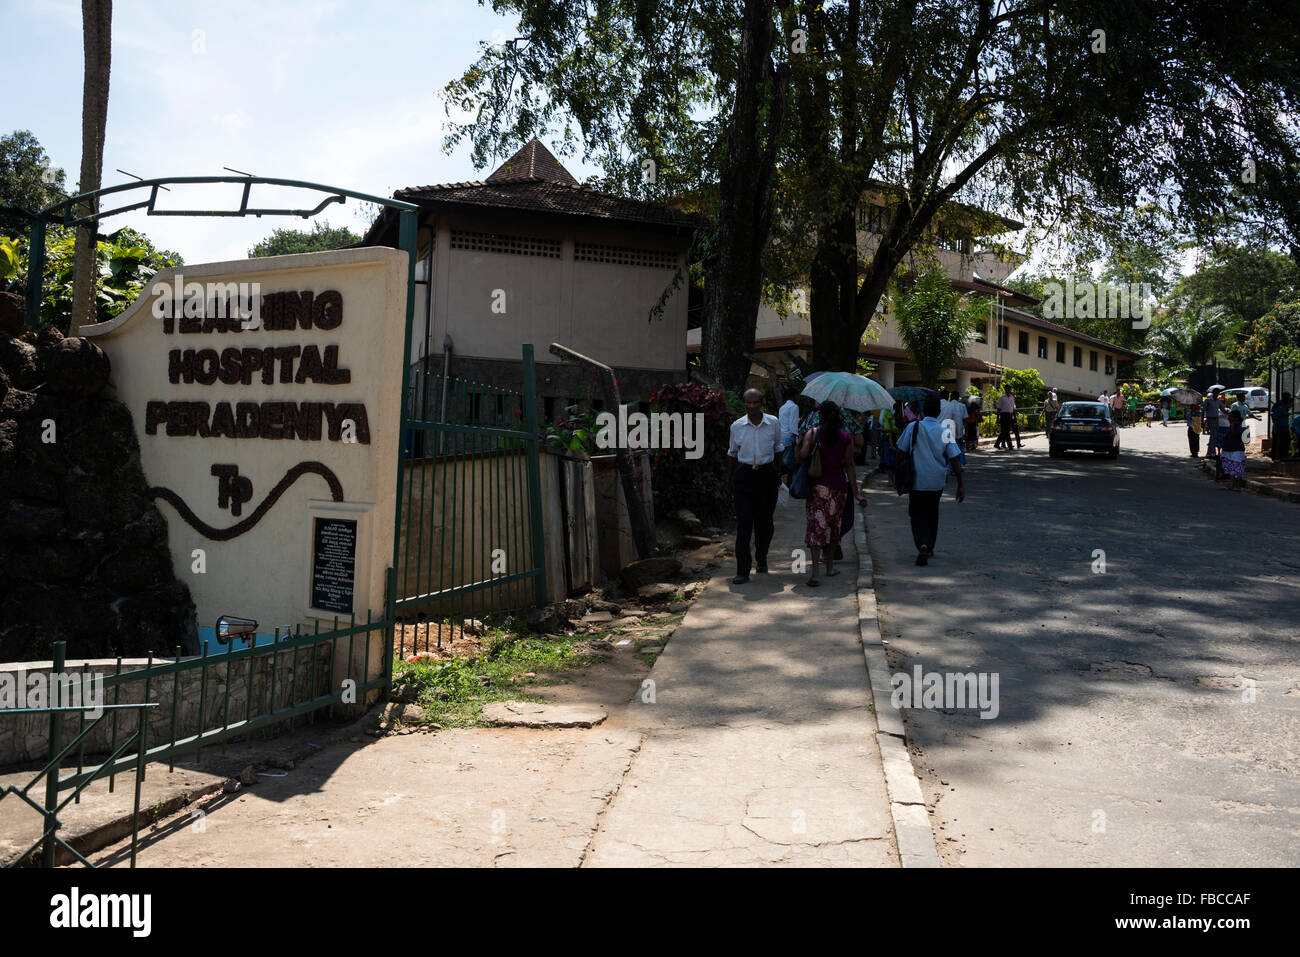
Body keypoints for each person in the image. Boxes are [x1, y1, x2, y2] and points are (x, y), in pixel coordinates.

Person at [796, 401, 867, 586]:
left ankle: (815, 573)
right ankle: (830, 567)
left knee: (816, 528)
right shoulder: (846, 437)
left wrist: (799, 444)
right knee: (834, 528)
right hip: (839, 488)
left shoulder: (813, 433)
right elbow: (850, 466)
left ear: (820, 416)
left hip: (817, 488)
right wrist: (856, 494)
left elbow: (803, 455)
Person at [895, 396, 966, 566]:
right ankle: (929, 545)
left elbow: (901, 451)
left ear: (923, 410)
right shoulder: (945, 432)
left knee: (916, 513)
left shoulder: (913, 427)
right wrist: (960, 484)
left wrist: (898, 473)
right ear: (939, 412)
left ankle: (922, 543)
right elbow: (955, 459)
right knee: (932, 513)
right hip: (936, 481)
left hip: (917, 480)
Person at [727, 388, 784, 584]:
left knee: (765, 523)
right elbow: (732, 454)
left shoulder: (773, 423)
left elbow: (778, 449)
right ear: (744, 404)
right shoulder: (737, 426)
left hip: (766, 475)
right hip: (744, 476)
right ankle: (742, 570)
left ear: (761, 403)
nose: (752, 406)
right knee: (744, 524)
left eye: (755, 402)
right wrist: (729, 481)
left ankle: (762, 557)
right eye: (748, 403)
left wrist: (777, 474)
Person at [1220, 409, 1248, 491]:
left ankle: (1238, 485)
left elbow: (1236, 435)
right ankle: (1231, 484)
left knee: (1237, 467)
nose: (1229, 418)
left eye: (1231, 417)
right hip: (1228, 448)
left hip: (1237, 449)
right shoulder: (1230, 425)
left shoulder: (1241, 426)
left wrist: (1232, 426)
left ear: (1236, 418)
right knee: (1230, 467)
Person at [778, 385, 801, 473]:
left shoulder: (782, 407)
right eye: (797, 395)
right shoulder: (794, 407)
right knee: (790, 462)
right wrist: (794, 440)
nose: (798, 398)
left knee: (783, 460)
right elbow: (793, 427)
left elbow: (785, 421)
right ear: (793, 396)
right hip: (789, 438)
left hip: (781, 437)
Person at [1202, 389, 1225, 459]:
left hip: (1216, 419)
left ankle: (1210, 453)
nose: (1216, 394)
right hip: (1210, 419)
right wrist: (1202, 422)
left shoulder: (1218, 401)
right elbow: (1203, 410)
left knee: (1214, 436)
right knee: (1213, 435)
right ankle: (1212, 453)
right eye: (1215, 393)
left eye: (1218, 393)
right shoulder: (1208, 401)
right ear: (1213, 393)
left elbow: (1223, 409)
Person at [1271, 392, 1294, 460]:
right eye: (1288, 397)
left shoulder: (1285, 404)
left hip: (1284, 426)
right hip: (1279, 426)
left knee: (1286, 441)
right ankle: (1276, 456)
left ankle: (1284, 455)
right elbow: (1274, 417)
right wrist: (1275, 427)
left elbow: (1288, 408)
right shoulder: (1278, 405)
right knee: (1277, 441)